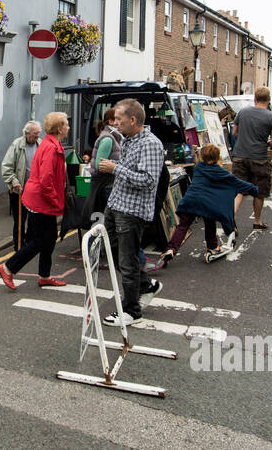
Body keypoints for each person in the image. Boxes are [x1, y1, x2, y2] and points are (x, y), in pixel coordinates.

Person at [98, 99, 164, 328]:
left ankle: (131, 311)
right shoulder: (127, 140)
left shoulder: (150, 144)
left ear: (133, 119)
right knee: (113, 252)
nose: (115, 123)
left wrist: (116, 168)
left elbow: (148, 181)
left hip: (132, 211)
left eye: (118, 119)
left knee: (127, 261)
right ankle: (146, 284)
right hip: (116, 206)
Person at [0, 112, 71, 289]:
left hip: (39, 199)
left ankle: (44, 276)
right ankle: (7, 268)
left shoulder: (48, 143)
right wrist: (57, 202)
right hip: (41, 201)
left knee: (50, 237)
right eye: (66, 124)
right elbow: (46, 182)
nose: (69, 127)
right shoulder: (52, 148)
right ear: (59, 128)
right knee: (39, 241)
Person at [160, 144, 259, 264]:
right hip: (207, 203)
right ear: (217, 157)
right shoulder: (220, 172)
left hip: (190, 200)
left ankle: (170, 250)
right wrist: (254, 189)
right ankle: (212, 247)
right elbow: (237, 183)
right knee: (210, 221)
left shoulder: (198, 168)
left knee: (183, 226)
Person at [230, 86, 272, 231]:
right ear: (268, 100)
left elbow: (234, 132)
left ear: (255, 99)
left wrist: (245, 138)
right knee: (259, 192)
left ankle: (231, 217)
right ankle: (257, 221)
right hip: (259, 157)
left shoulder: (243, 112)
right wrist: (261, 141)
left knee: (239, 190)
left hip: (239, 155)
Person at [1, 120, 41, 252]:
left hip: (35, 191)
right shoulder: (17, 145)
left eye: (38, 133)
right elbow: (6, 167)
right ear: (26, 133)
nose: (37, 136)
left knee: (34, 219)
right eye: (35, 134)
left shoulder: (40, 144)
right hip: (19, 190)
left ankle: (28, 244)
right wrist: (14, 182)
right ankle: (18, 247)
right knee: (19, 221)